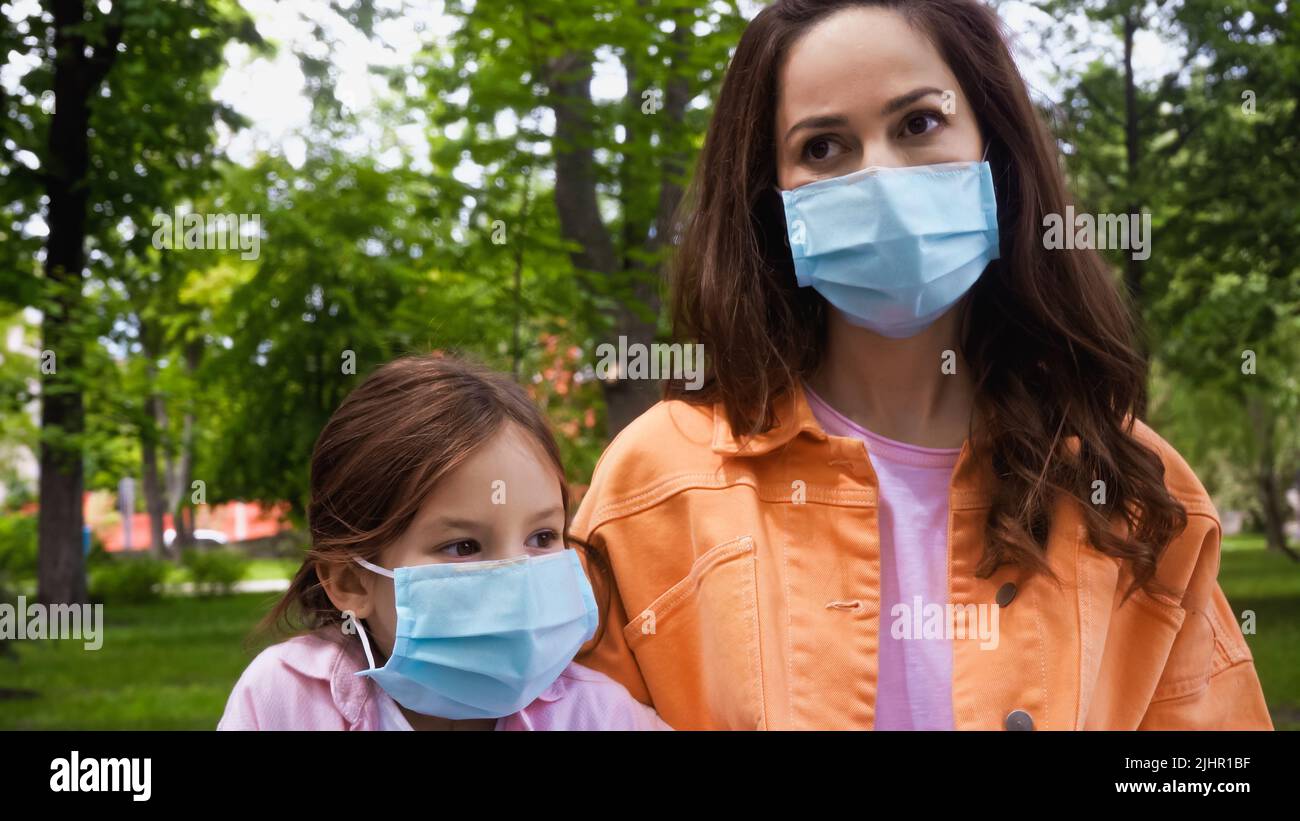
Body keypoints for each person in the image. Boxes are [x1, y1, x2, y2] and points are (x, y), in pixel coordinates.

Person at [572, 0, 1272, 730]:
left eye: (917, 124)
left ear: (993, 146)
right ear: (771, 202)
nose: (879, 177)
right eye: (822, 147)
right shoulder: (652, 489)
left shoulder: (1131, 490)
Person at [219, 354, 670, 731]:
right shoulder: (284, 701)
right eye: (465, 547)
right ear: (351, 582)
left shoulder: (600, 716)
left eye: (542, 537)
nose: (517, 580)